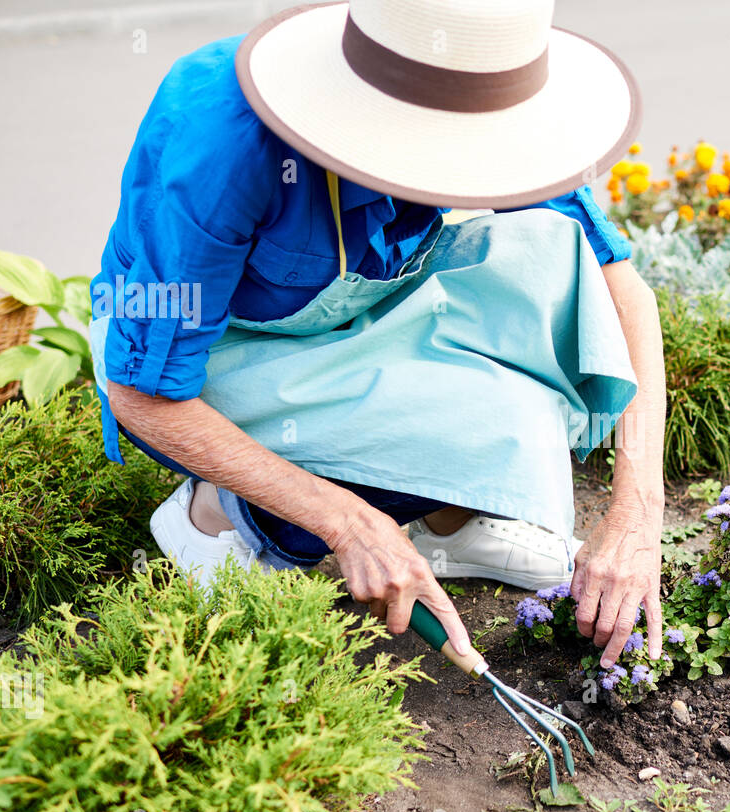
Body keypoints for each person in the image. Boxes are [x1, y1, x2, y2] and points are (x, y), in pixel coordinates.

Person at [90, 0, 664, 669]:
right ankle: (222, 520)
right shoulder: (225, 135)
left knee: (553, 268)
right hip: (220, 352)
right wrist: (347, 520)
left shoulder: (477, 86)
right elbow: (142, 392)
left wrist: (638, 512)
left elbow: (622, 289)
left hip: (363, 308)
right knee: (398, 461)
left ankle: (452, 521)